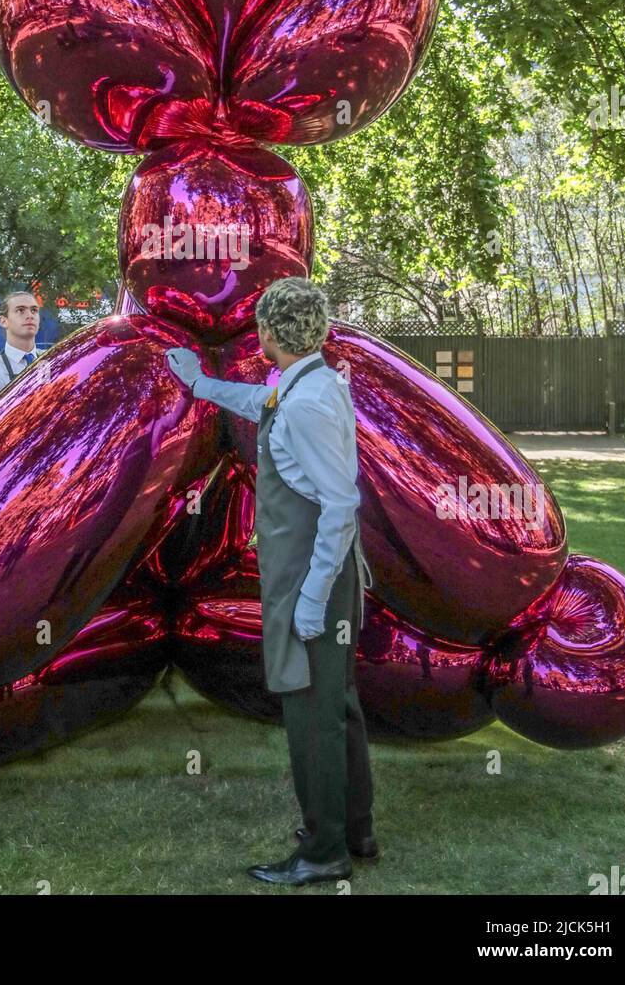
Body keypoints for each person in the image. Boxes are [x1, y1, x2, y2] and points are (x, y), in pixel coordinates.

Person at [165, 276, 376, 887]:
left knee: (312, 715)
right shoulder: (309, 380)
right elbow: (265, 402)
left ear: (267, 333)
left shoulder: (309, 399)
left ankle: (323, 850)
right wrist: (202, 384)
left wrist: (310, 603)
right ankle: (353, 831)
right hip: (317, 577)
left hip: (312, 579)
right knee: (336, 708)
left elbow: (340, 506)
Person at [0, 289, 41, 410]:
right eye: (20, 310)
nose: (30, 315)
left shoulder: (54, 360)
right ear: (3, 321)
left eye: (34, 310)